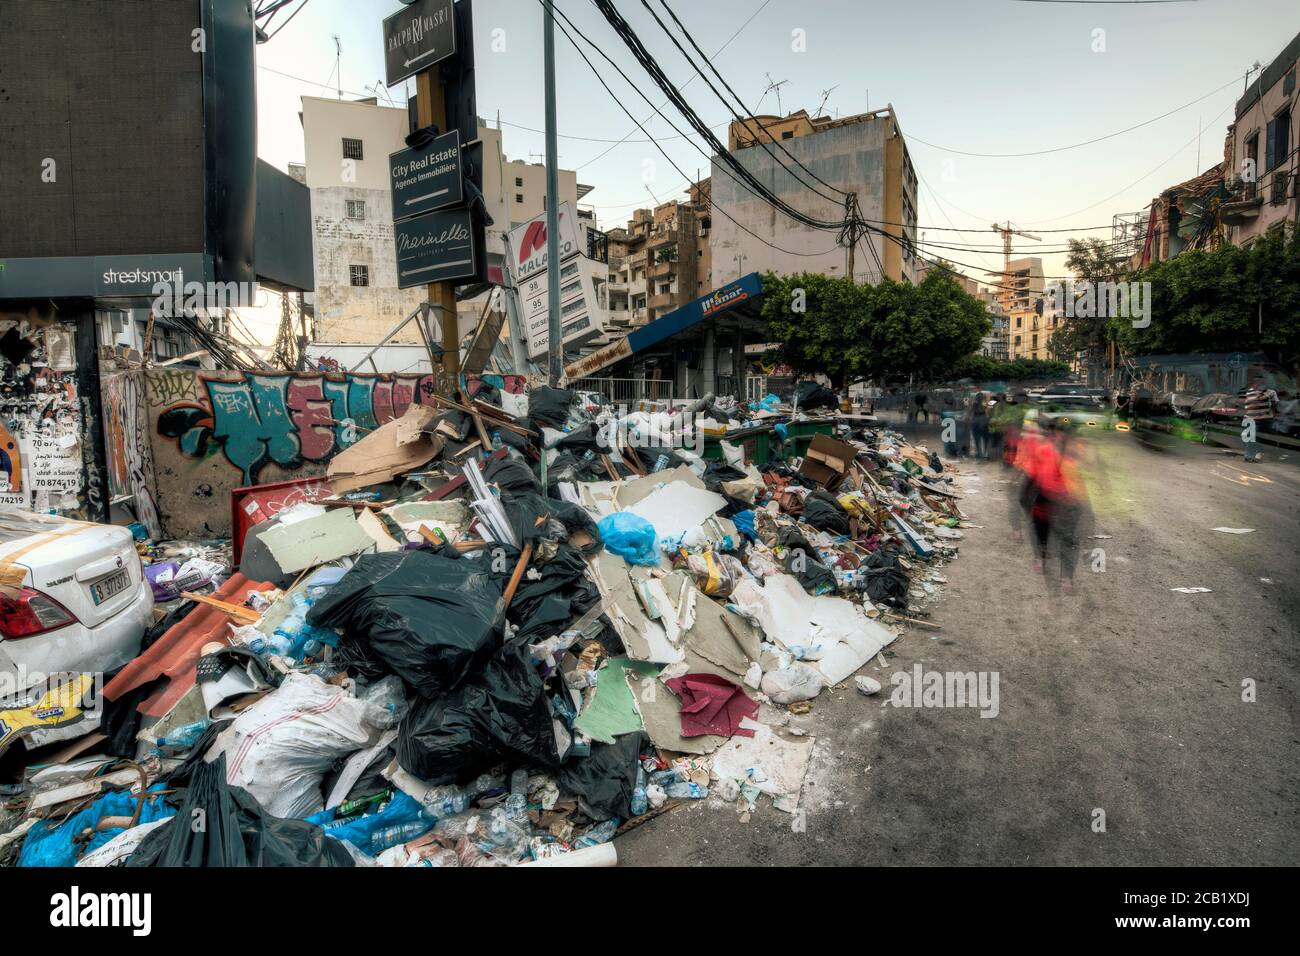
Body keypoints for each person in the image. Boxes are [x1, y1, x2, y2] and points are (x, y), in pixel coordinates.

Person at [1021, 417, 1089, 593]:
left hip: (1066, 501)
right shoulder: (1045, 450)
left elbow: (1082, 482)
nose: (1062, 437)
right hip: (1049, 498)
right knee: (1042, 531)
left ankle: (1065, 577)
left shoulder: (1074, 453)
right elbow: (1032, 475)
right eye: (1060, 433)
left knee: (1065, 539)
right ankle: (1043, 559)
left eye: (1065, 434)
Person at [967, 391, 990, 459]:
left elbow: (969, 412)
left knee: (977, 439)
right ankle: (985, 453)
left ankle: (979, 454)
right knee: (985, 439)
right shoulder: (985, 403)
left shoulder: (974, 404)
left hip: (975, 421)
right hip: (983, 421)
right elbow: (988, 412)